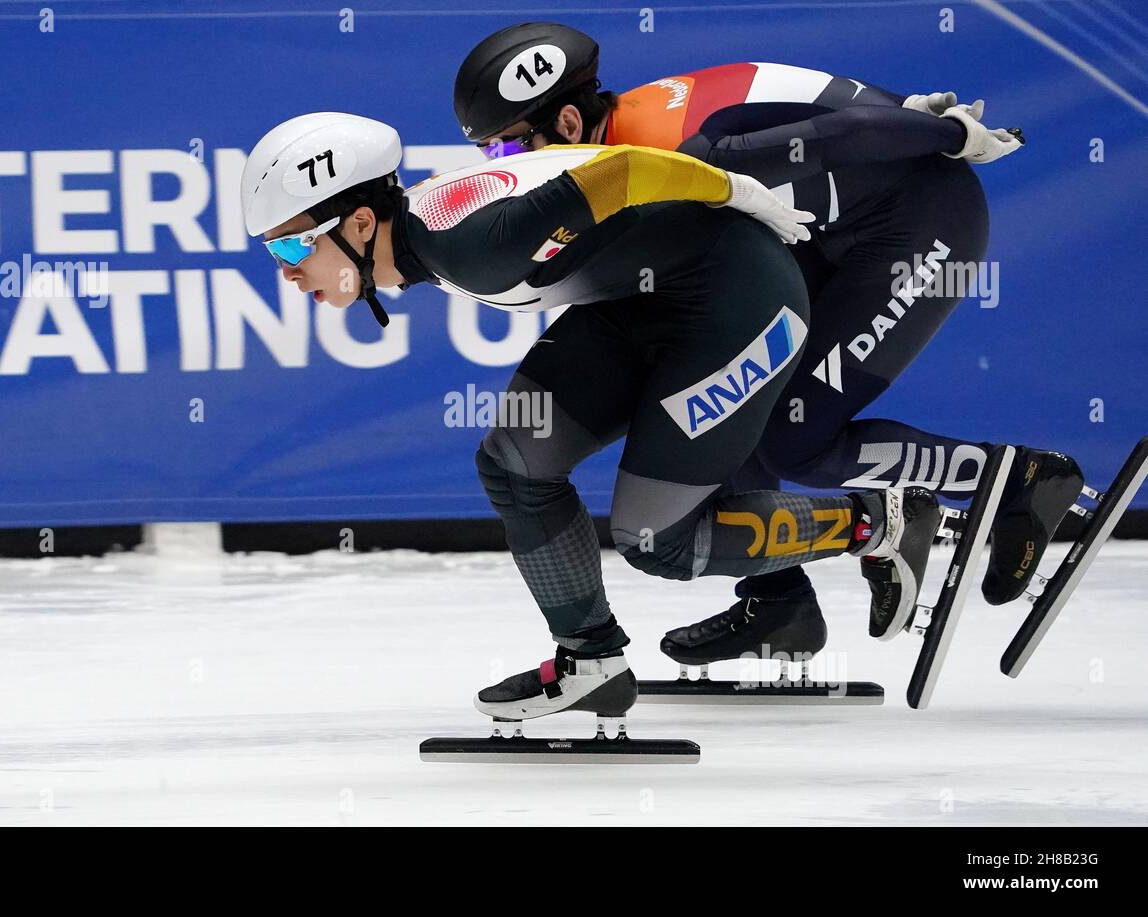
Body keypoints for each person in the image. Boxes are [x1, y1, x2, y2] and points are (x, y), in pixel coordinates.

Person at [240, 112, 943, 722]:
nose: (287, 270)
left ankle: (879, 522)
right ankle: (591, 663)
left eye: (292, 246)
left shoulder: (471, 247)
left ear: (362, 222)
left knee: (656, 539)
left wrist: (733, 190)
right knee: (516, 460)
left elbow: (625, 167)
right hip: (646, 300)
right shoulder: (432, 232)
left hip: (744, 303)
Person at [453, 22, 1083, 667]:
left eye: (505, 153)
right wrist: (896, 109)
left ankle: (1018, 479)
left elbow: (840, 135)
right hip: (822, 227)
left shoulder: (674, 147)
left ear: (565, 122)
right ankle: (779, 603)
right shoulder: (615, 138)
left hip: (919, 222)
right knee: (731, 385)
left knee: (796, 438)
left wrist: (948, 134)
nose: (504, 172)